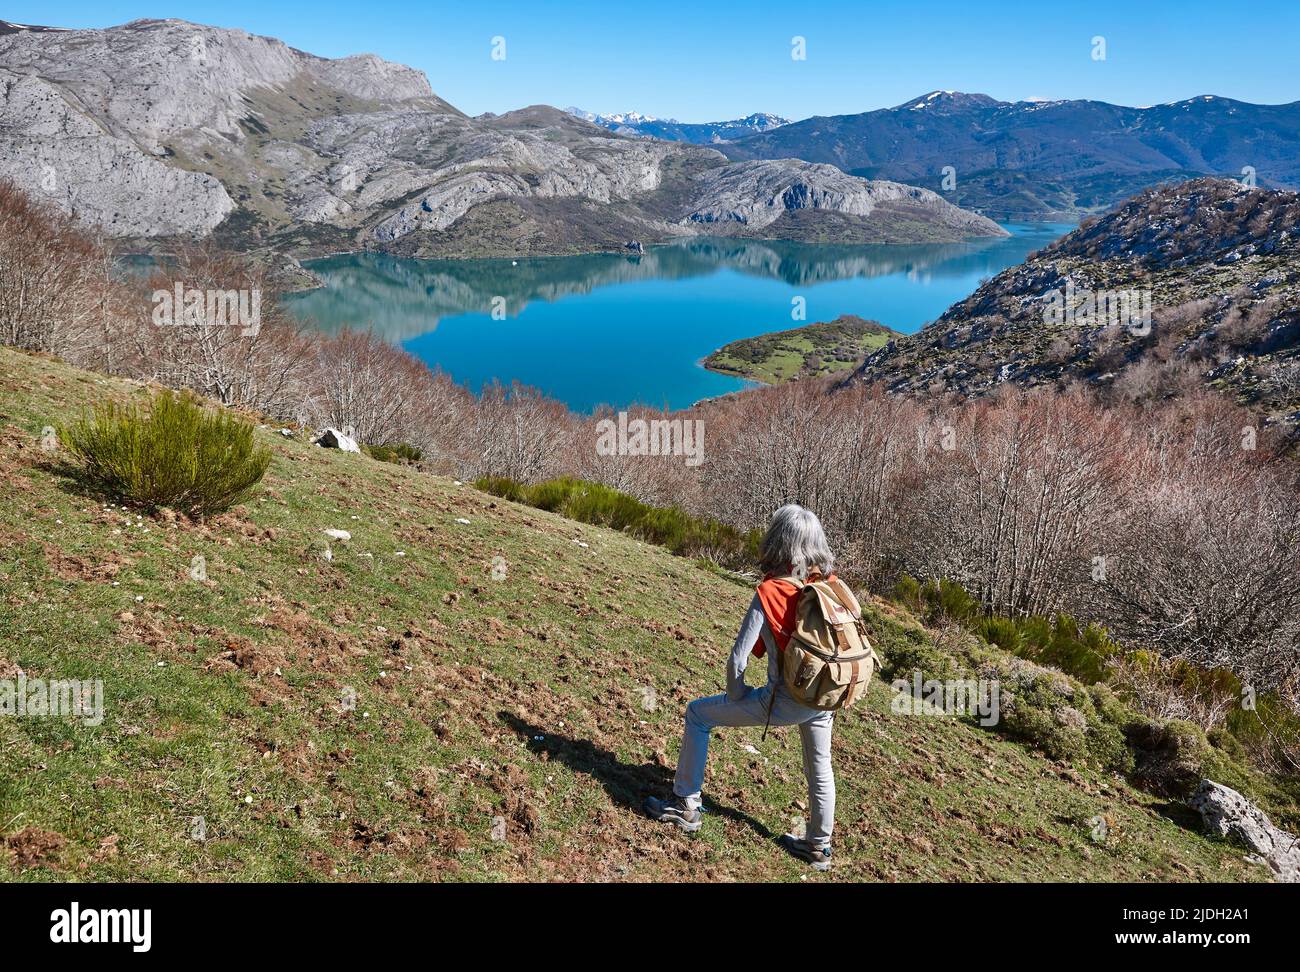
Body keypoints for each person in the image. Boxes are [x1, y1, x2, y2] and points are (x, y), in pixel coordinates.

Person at [645, 503, 838, 871]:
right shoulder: (828, 587)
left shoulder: (770, 591)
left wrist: (738, 698)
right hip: (822, 697)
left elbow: (738, 661)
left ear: (777, 541)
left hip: (781, 700)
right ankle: (819, 846)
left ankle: (685, 805)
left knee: (698, 714)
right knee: (820, 767)